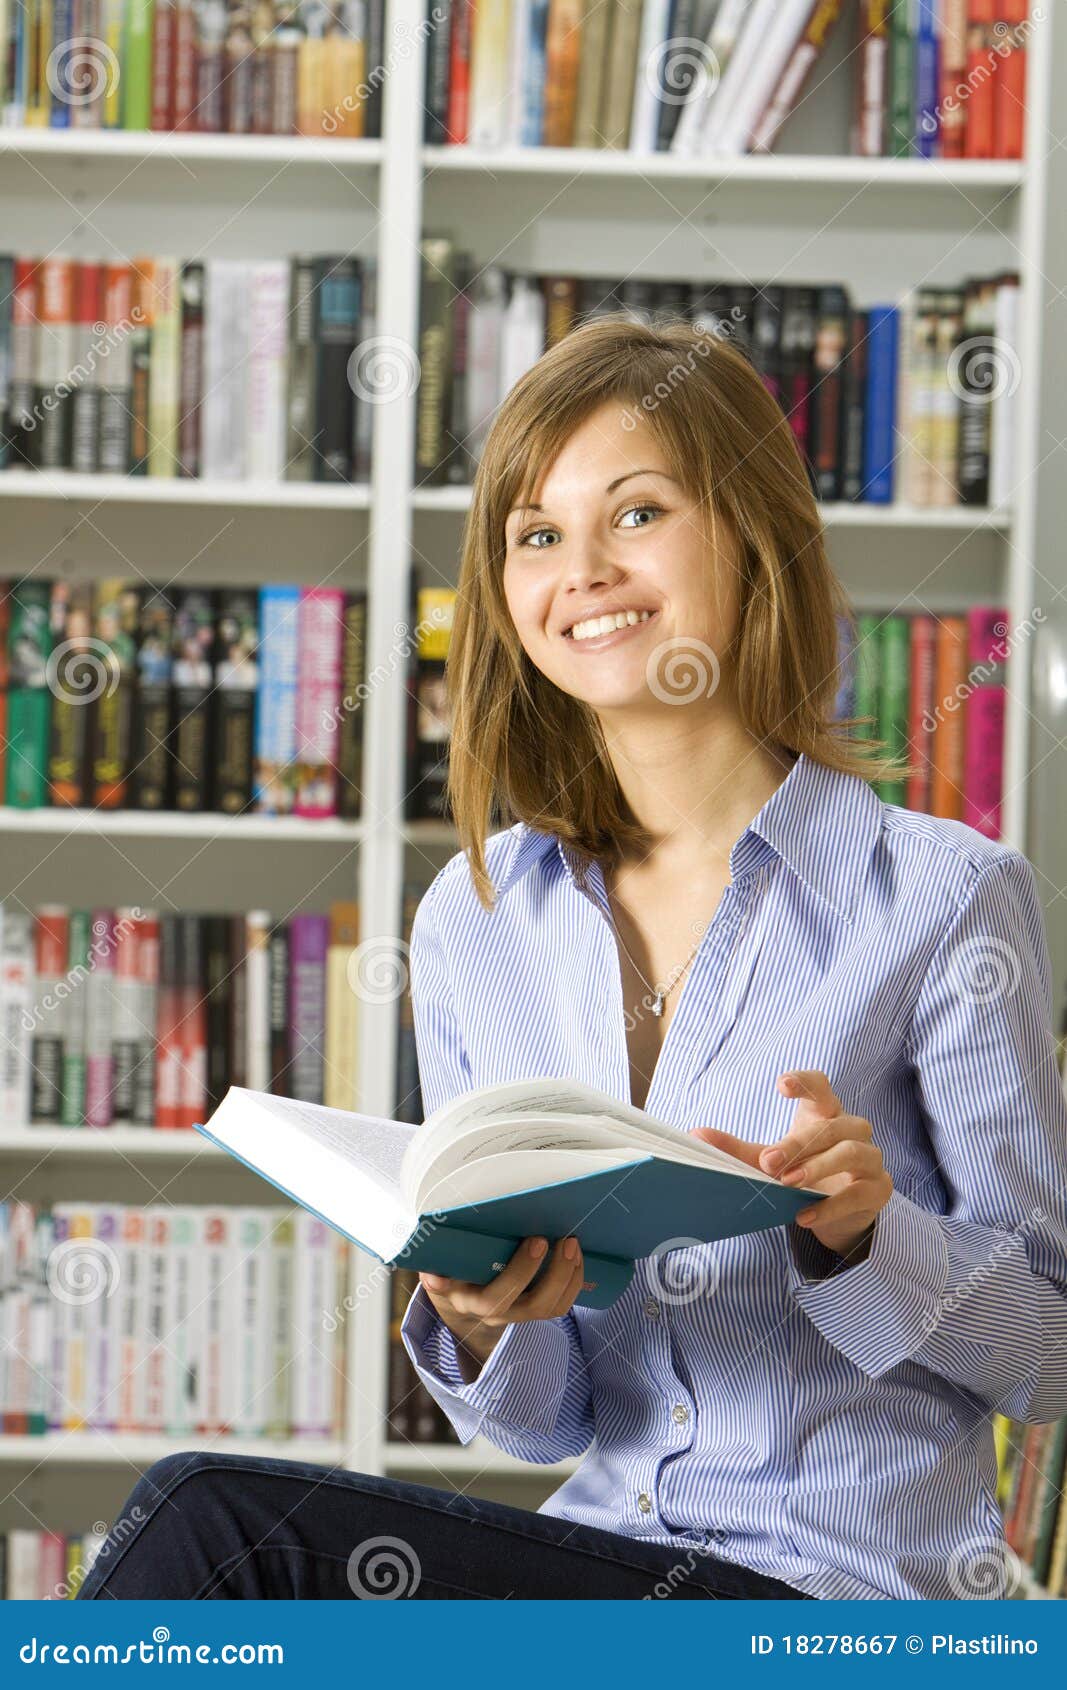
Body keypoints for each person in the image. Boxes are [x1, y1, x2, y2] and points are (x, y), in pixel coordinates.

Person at [78, 312, 1067, 1602]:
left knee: (213, 1526)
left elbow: (1049, 1349)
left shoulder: (945, 895)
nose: (582, 568)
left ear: (752, 531)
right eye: (538, 535)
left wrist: (871, 1240)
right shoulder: (480, 918)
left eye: (638, 512)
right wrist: (492, 1320)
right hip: (610, 1565)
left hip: (846, 1596)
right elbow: (544, 1428)